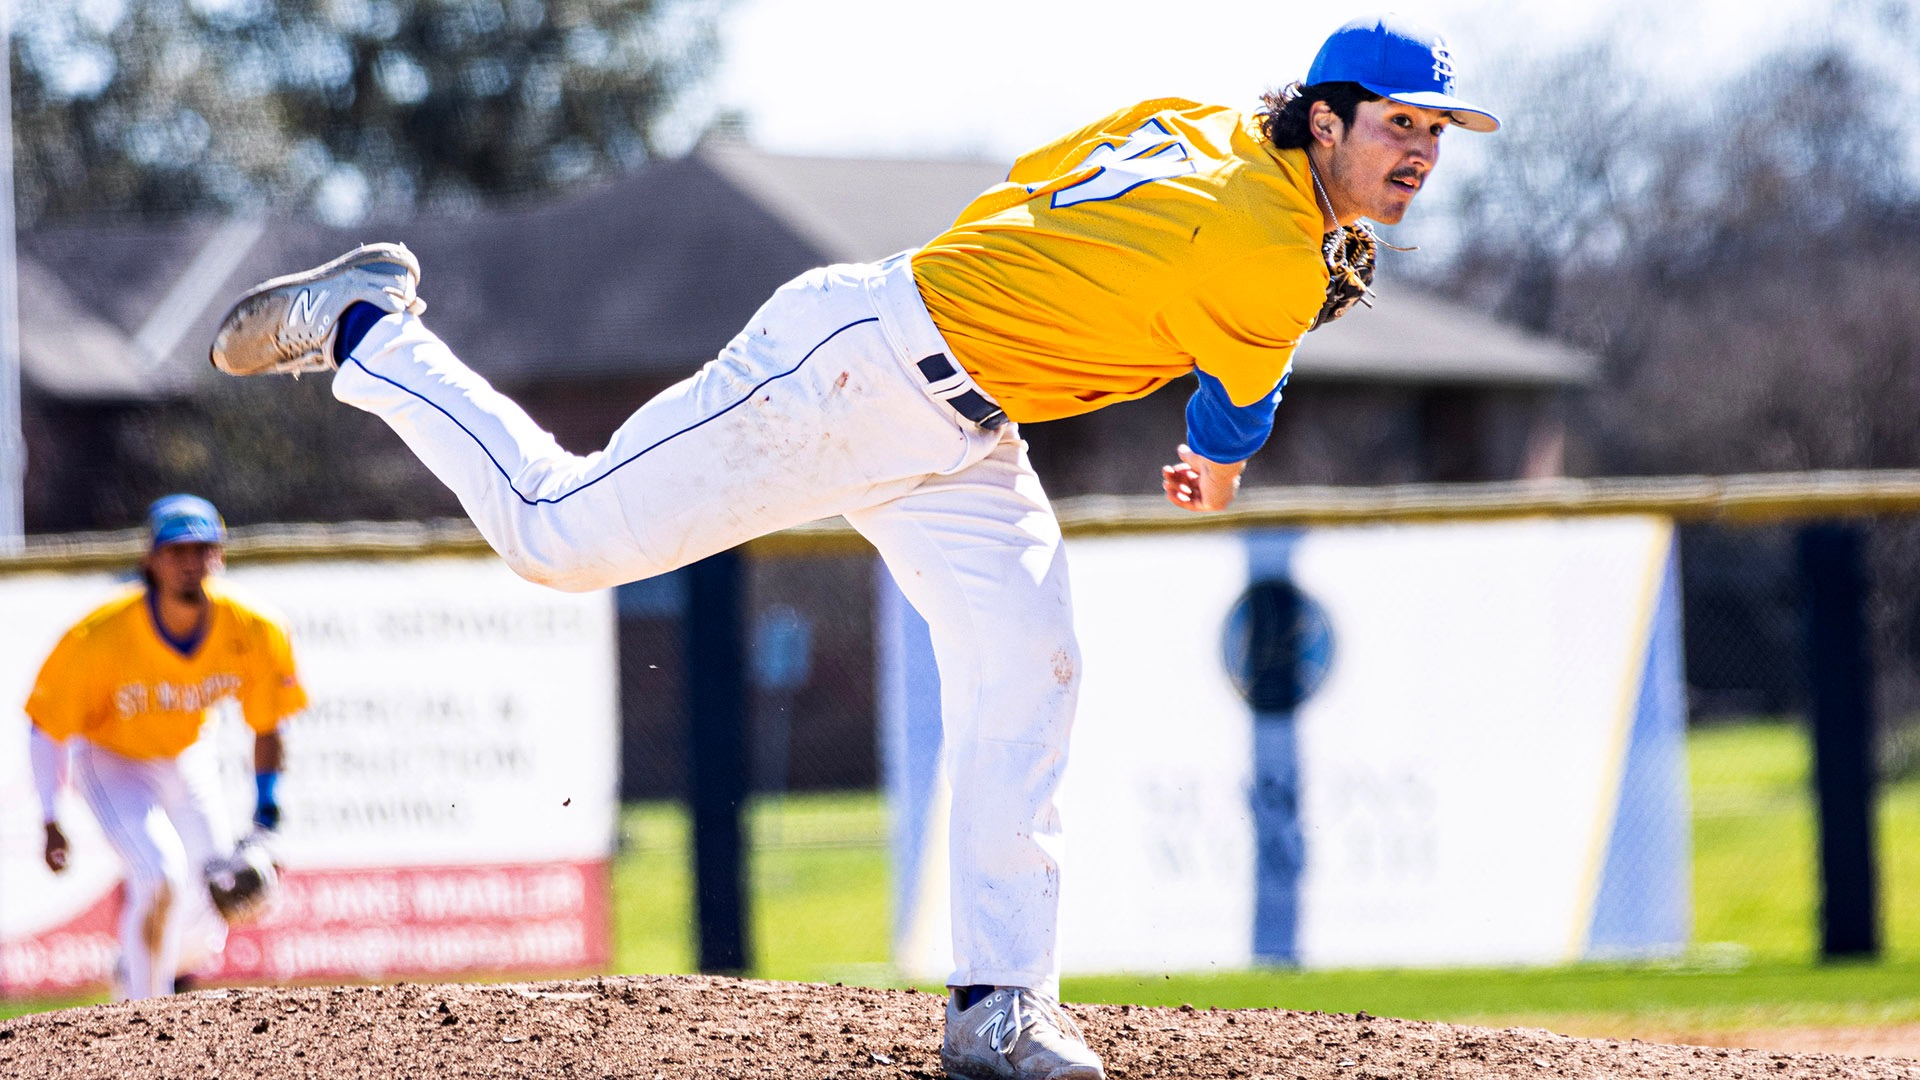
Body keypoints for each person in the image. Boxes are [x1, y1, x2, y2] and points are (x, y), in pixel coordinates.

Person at [208, 13, 1495, 1077]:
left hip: (959, 419)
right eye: (1398, 122)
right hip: (853, 374)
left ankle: (1001, 1000)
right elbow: (1228, 423)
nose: (1422, 151)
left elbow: (1038, 180)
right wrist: (1211, 460)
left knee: (1030, 666)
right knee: (558, 536)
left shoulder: (1201, 123)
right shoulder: (1271, 250)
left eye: (1437, 131)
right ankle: (371, 330)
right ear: (1323, 119)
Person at [27, 494, 306, 1000]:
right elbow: (45, 727)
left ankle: (134, 973)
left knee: (212, 905)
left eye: (202, 549)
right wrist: (50, 815)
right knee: (159, 875)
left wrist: (267, 819)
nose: (189, 563)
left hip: (185, 758)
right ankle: (142, 1016)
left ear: (219, 555)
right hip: (113, 762)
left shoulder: (255, 626)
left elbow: (268, 724)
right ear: (150, 559)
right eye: (176, 551)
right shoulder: (100, 634)